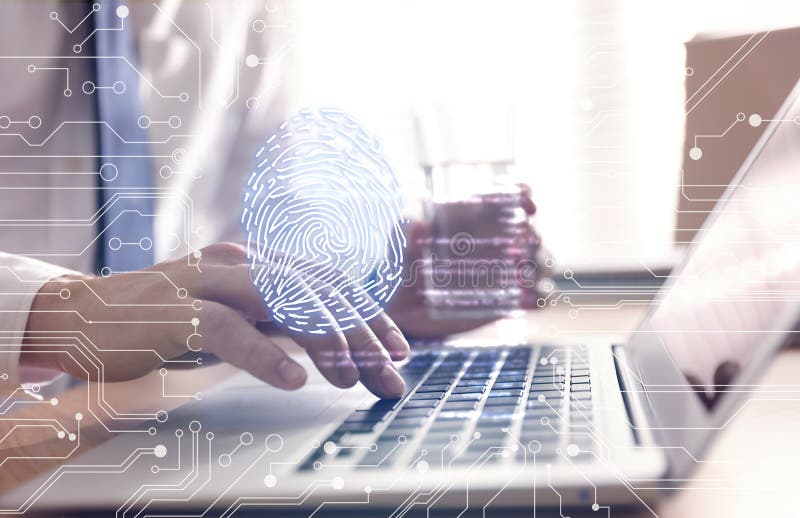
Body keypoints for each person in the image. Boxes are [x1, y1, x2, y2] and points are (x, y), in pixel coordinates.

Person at [0, 0, 542, 402]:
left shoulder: (246, 14)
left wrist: (355, 289)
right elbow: (102, 306)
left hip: (125, 425)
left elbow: (238, 239)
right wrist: (51, 312)